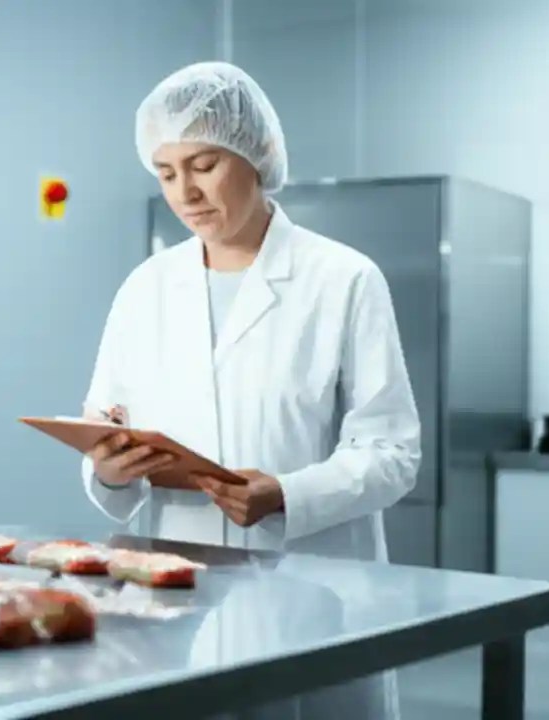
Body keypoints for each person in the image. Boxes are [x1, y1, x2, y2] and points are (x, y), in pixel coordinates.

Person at [79, 61, 421, 720]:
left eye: (204, 164)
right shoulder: (145, 287)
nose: (186, 193)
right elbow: (106, 424)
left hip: (313, 589)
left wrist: (286, 495)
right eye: (167, 173)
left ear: (255, 155)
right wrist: (111, 468)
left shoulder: (343, 279)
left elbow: (392, 453)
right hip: (177, 595)